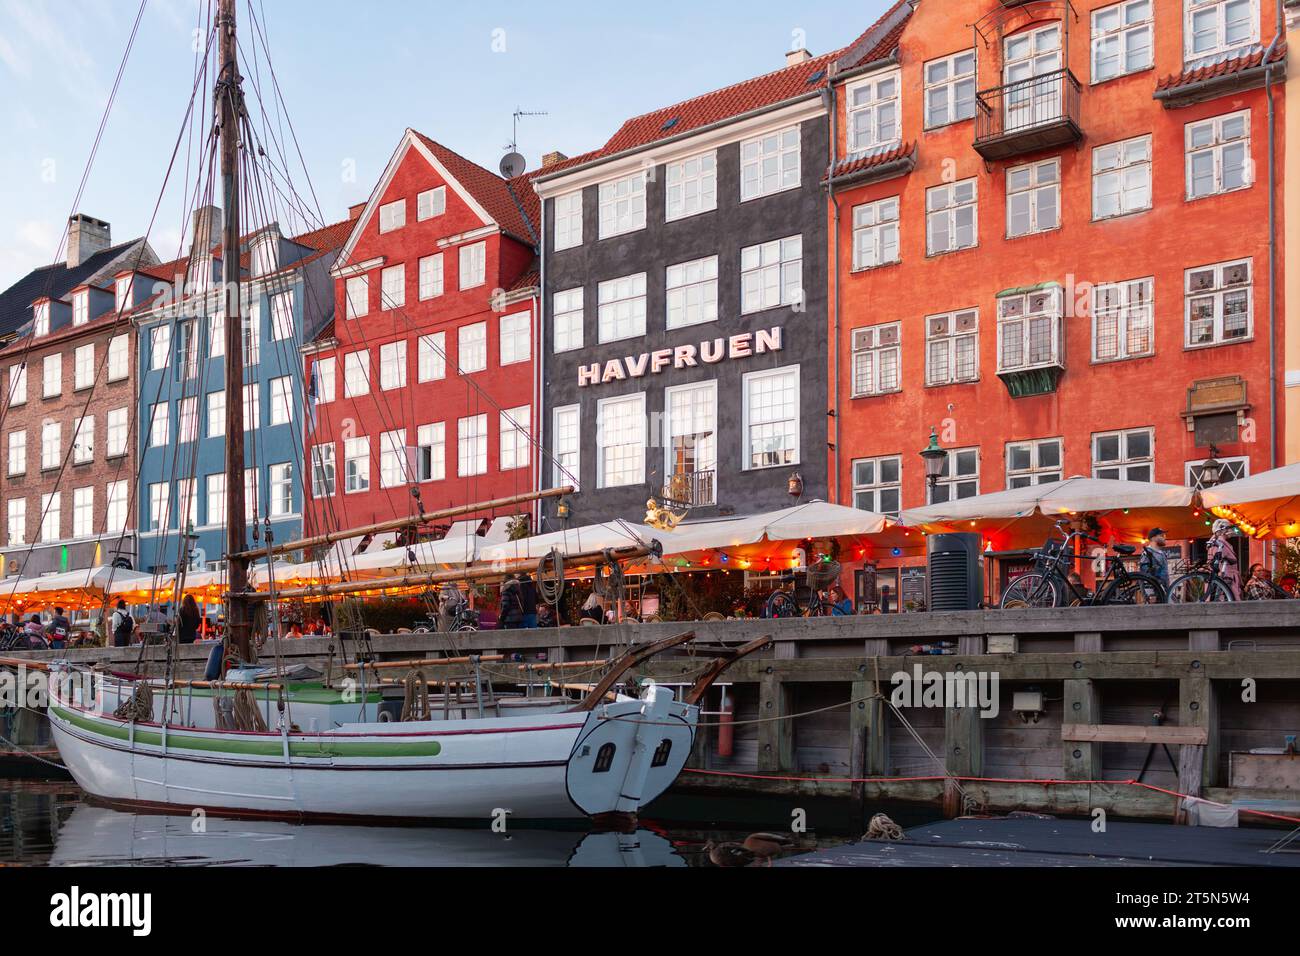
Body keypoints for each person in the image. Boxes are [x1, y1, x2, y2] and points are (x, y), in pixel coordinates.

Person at [1207, 518, 1241, 600]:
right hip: (1224, 576)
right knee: (1227, 601)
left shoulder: (1221, 542)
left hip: (1228, 577)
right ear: (1223, 530)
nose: (1231, 531)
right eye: (1229, 528)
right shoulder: (1218, 543)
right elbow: (1216, 561)